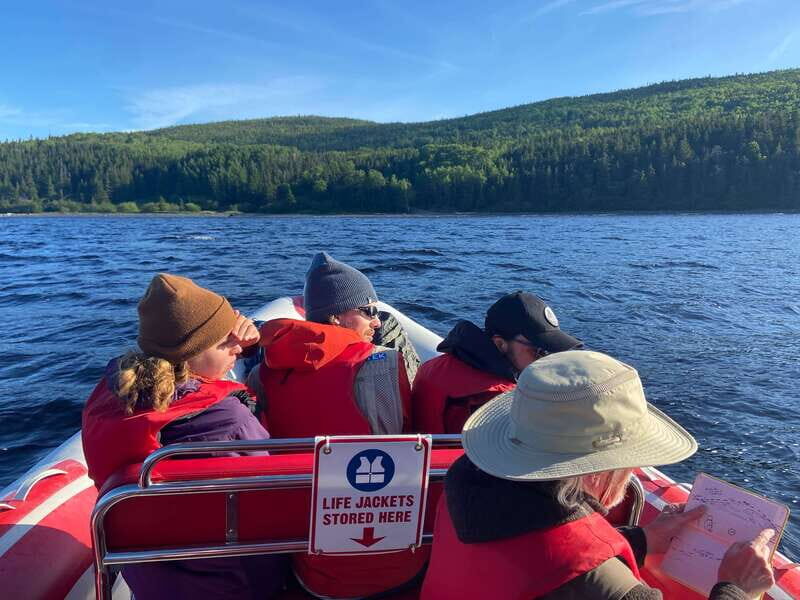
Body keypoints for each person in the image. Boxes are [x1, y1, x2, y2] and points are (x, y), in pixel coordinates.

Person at [421, 350, 775, 600]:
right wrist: (737, 589)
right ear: (598, 468)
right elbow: (568, 571)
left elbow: (530, 553)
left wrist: (641, 540)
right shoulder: (603, 588)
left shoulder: (466, 482)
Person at [81, 273, 287, 600]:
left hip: (152, 580)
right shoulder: (228, 423)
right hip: (235, 584)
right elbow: (278, 502)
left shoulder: (108, 402)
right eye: (225, 340)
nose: (237, 343)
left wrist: (238, 346)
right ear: (191, 353)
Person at [252, 252, 426, 600]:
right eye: (368, 312)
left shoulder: (263, 373)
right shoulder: (381, 367)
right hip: (391, 566)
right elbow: (402, 443)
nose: (377, 323)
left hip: (311, 564)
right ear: (336, 316)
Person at [412, 290, 581, 434]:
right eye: (539, 351)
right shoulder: (490, 402)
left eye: (551, 352)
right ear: (500, 343)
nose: (546, 360)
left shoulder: (436, 367)